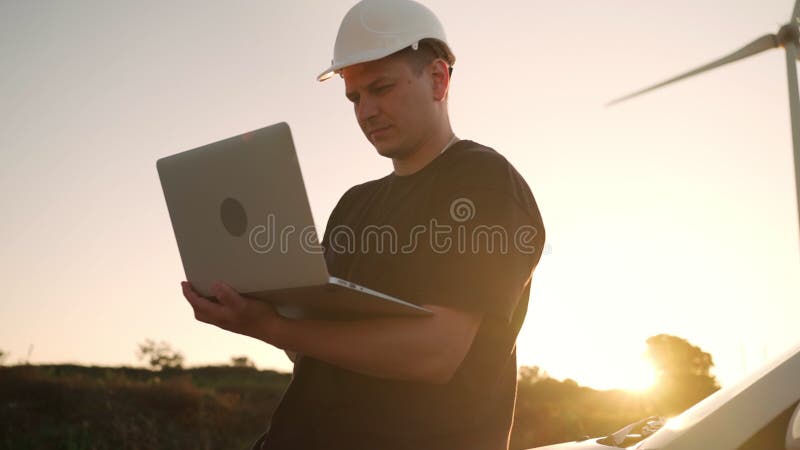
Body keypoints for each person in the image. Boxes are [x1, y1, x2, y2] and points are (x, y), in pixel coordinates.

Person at [181, 0, 546, 449]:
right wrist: (255, 312)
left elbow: (437, 352)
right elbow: (315, 349)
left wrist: (272, 327)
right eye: (355, 96)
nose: (365, 111)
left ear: (438, 79)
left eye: (382, 87)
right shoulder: (353, 205)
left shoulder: (484, 181)